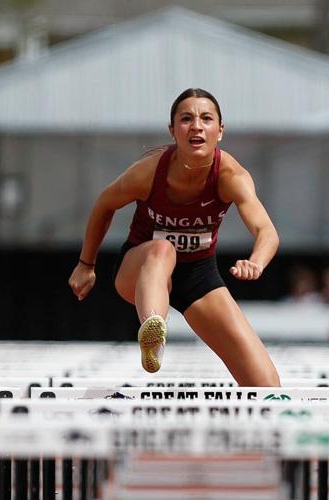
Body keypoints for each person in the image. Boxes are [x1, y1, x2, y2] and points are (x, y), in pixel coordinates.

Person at [68, 88, 280, 387]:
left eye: (206, 119)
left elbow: (267, 232)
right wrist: (85, 264)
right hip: (142, 268)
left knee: (267, 384)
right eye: (186, 119)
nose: (196, 126)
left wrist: (256, 262)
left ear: (219, 131)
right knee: (163, 250)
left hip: (198, 277)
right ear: (173, 131)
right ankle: (153, 333)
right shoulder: (148, 172)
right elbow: (105, 204)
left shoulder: (231, 175)